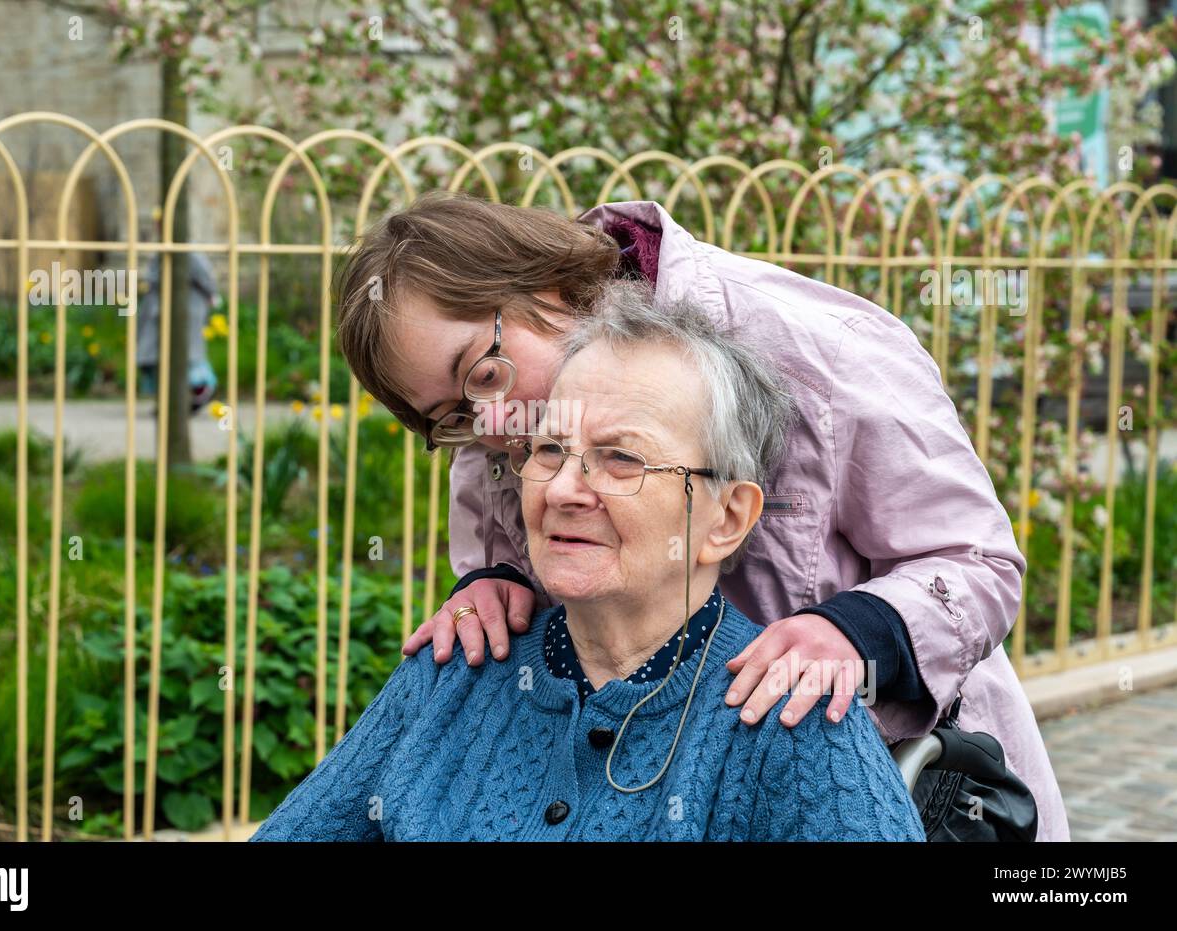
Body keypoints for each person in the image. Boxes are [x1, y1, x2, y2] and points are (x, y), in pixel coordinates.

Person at [333, 191, 1070, 841]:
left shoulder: (820, 349)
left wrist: (853, 630)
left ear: (549, 285)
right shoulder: (508, 411)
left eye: (484, 375)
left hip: (894, 773)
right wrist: (496, 584)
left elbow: (977, 559)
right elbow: (523, 555)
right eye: (453, 416)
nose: (494, 426)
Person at [252, 282, 925, 841]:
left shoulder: (795, 720)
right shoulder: (453, 671)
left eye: (621, 458)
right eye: (549, 450)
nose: (566, 489)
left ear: (724, 518)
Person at [135, 238, 219, 413]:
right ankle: (170, 401)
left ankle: (201, 388)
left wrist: (212, 295)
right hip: (159, 312)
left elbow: (205, 279)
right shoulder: (163, 247)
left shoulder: (188, 250)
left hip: (185, 311)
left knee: (188, 355)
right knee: (160, 357)